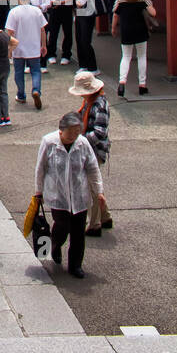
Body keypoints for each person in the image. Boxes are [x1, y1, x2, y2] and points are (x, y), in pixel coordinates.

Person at [34, 111, 105, 279]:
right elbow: (40, 168)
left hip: (79, 195)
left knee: (78, 232)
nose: (74, 136)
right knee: (62, 227)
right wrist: (38, 191)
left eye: (77, 132)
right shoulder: (49, 142)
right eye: (70, 132)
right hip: (58, 196)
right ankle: (55, 245)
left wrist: (99, 191)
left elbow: (92, 168)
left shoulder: (83, 143)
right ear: (61, 130)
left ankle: (75, 265)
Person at [68, 70, 113, 235]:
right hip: (90, 149)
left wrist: (79, 140)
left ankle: (94, 225)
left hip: (95, 150)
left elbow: (100, 132)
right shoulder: (90, 101)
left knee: (91, 188)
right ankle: (105, 216)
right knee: (94, 185)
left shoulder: (99, 104)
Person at [112, 0, 155, 97]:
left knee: (126, 57)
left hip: (126, 30)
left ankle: (122, 82)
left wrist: (113, 28)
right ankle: (142, 85)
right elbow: (153, 12)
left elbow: (115, 14)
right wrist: (147, 5)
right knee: (142, 56)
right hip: (140, 30)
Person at [6, 0, 47, 110]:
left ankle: (21, 94)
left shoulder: (13, 12)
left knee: (18, 72)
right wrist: (43, 45)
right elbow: (42, 30)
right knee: (36, 71)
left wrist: (9, 49)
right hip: (34, 47)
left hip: (18, 48)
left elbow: (10, 32)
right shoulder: (36, 11)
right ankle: (36, 90)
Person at [43, 0, 75, 67]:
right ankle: (51, 53)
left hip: (65, 6)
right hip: (54, 6)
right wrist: (50, 2)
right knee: (53, 31)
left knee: (67, 31)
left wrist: (61, 2)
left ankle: (66, 55)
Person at [72, 0, 99, 72]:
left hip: (88, 11)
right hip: (79, 10)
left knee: (85, 40)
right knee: (78, 38)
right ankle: (83, 65)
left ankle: (93, 67)